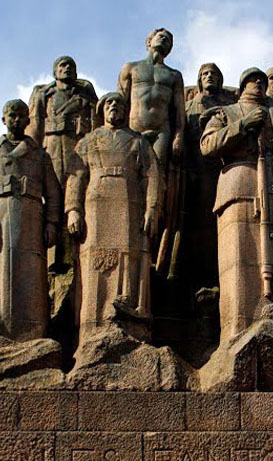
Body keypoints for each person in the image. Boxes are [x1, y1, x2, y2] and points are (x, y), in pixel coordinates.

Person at [200, 67, 273, 343]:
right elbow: (208, 145)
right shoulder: (226, 112)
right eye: (253, 80)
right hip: (240, 181)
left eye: (263, 81)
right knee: (239, 254)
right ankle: (238, 331)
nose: (259, 85)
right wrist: (243, 126)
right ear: (241, 87)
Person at [65, 92, 161, 343]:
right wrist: (73, 210)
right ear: (101, 110)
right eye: (109, 103)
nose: (114, 107)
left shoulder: (138, 142)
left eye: (119, 104)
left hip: (130, 203)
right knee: (94, 264)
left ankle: (128, 323)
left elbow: (152, 177)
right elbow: (76, 177)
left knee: (129, 259)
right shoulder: (88, 142)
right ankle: (92, 328)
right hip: (96, 204)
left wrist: (152, 208)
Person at [0, 99, 61, 342]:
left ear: (28, 121)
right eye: (12, 115)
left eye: (21, 116)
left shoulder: (40, 156)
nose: (16, 120)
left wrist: (51, 223)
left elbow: (53, 193)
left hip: (30, 218)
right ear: (3, 119)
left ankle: (30, 331)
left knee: (29, 273)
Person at [117, 28, 186, 276]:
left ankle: (153, 236)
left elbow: (179, 110)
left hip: (162, 132)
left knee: (158, 183)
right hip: (135, 129)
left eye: (169, 38)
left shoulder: (174, 76)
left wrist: (178, 136)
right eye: (160, 36)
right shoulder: (131, 68)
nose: (164, 39)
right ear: (148, 41)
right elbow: (120, 101)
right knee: (133, 182)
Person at [26, 55, 97, 274]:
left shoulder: (85, 95)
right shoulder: (44, 94)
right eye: (62, 66)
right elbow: (34, 125)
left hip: (78, 148)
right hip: (52, 148)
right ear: (55, 72)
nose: (67, 69)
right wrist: (30, 154)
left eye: (71, 66)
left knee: (76, 199)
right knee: (53, 199)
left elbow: (95, 125)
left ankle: (73, 253)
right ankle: (52, 257)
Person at [183, 62, 235, 295]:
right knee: (198, 223)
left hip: (222, 168)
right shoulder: (189, 106)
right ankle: (198, 276)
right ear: (199, 79)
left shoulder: (230, 106)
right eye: (205, 74)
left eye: (214, 74)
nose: (209, 77)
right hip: (196, 166)